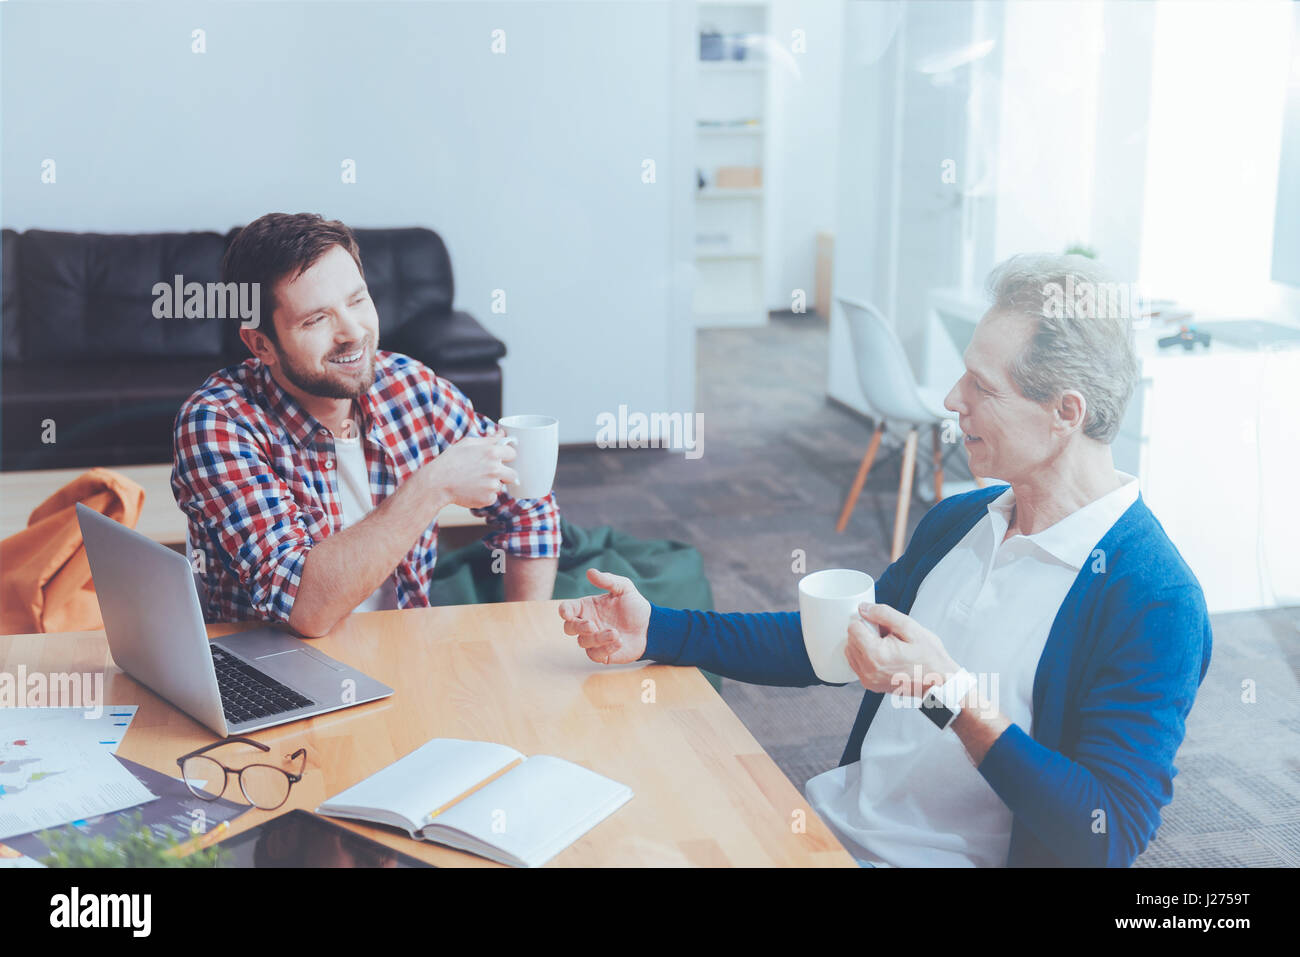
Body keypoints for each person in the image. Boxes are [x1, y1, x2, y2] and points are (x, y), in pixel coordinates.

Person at [558, 253, 1212, 867]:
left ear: (1065, 412)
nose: (954, 399)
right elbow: (839, 643)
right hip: (828, 833)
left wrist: (951, 695)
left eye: (982, 386)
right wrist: (659, 630)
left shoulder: (1152, 598)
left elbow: (1107, 834)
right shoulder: (964, 519)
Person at [174, 213, 559, 635]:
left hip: (405, 656)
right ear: (261, 344)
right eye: (316, 319)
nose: (352, 333)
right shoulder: (219, 423)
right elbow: (307, 609)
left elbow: (529, 503)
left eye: (357, 301)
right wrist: (434, 486)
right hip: (276, 672)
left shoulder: (413, 388)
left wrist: (524, 633)